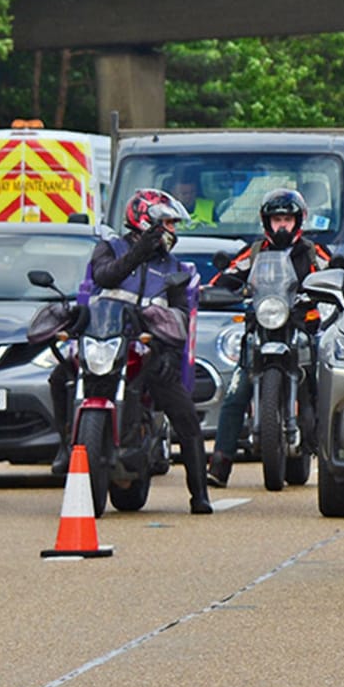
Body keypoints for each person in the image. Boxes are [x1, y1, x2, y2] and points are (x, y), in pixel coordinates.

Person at [89, 189, 214, 514]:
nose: (172, 231)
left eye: (173, 224)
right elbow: (102, 278)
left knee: (184, 413)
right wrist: (137, 254)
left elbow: (180, 316)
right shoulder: (109, 249)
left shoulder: (173, 267)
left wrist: (168, 356)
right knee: (59, 377)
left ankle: (199, 493)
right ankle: (65, 451)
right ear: (147, 222)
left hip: (148, 351)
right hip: (107, 344)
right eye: (167, 224)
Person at [206, 187, 337, 488]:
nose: (281, 225)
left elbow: (337, 277)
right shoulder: (254, 252)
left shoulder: (314, 253)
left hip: (303, 326)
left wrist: (327, 288)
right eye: (276, 219)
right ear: (266, 222)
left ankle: (331, 458)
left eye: (287, 219)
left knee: (323, 385)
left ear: (298, 221)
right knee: (236, 391)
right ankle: (220, 463)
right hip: (261, 329)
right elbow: (223, 279)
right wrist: (222, 288)